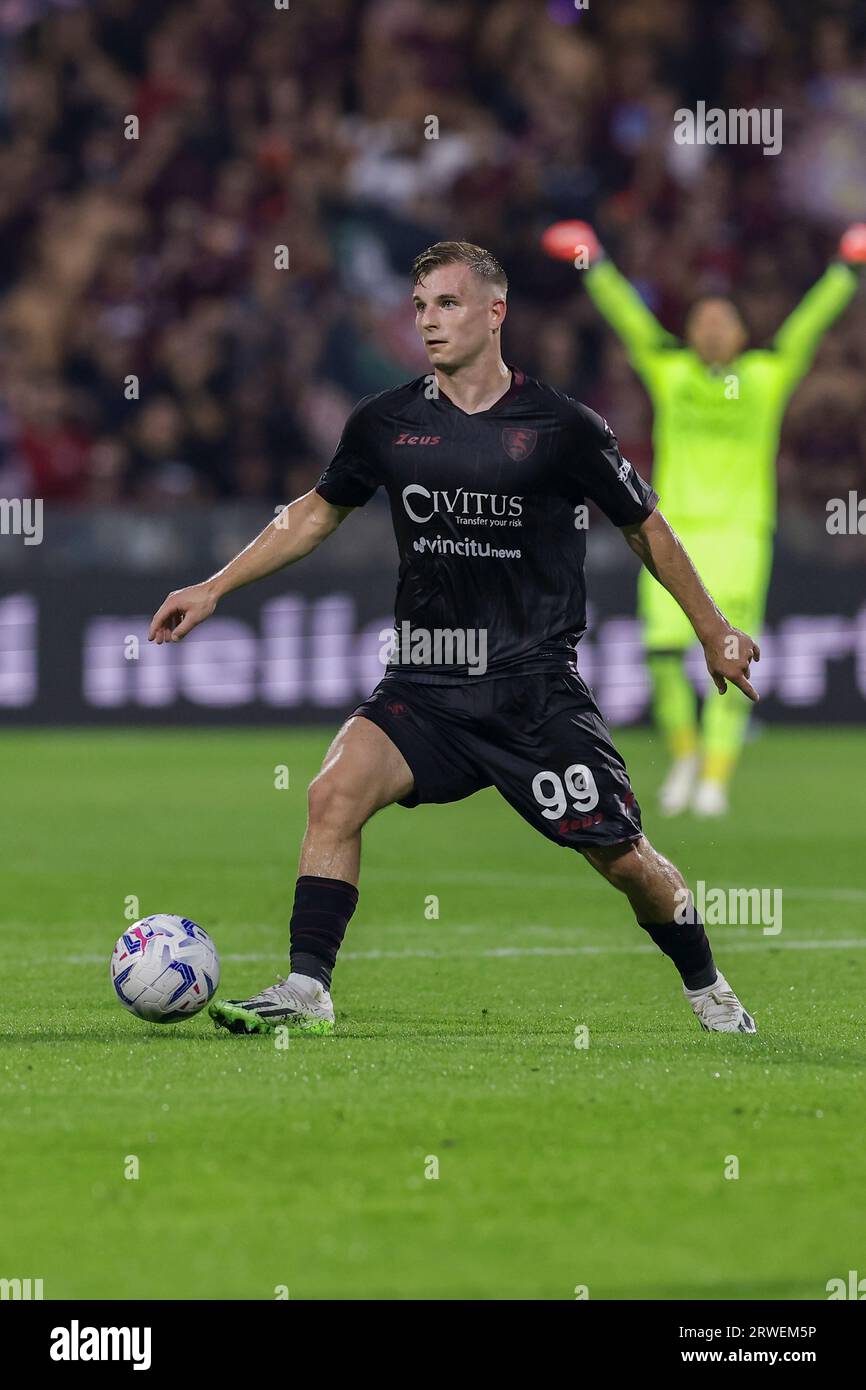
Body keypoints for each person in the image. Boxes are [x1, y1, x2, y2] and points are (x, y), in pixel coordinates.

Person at [149, 240, 762, 1036]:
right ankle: (308, 986)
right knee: (333, 794)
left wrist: (713, 630)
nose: (428, 322)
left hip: (532, 690)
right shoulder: (385, 423)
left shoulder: (561, 427)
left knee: (625, 862)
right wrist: (214, 586)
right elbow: (313, 514)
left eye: (446, 304)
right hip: (428, 682)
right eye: (419, 307)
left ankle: (707, 986)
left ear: (494, 312)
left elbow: (647, 529)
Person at [582, 225, 863, 815]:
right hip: (669, 536)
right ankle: (684, 755)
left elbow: (808, 324)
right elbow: (628, 318)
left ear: (741, 332)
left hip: (739, 537)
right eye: (701, 320)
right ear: (688, 332)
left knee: (733, 652)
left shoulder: (766, 377)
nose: (711, 329)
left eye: (722, 320)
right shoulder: (672, 373)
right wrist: (594, 259)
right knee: (660, 653)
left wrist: (845, 267)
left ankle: (714, 776)